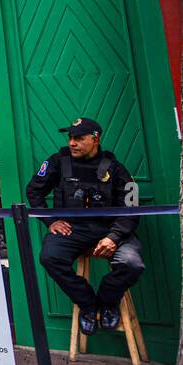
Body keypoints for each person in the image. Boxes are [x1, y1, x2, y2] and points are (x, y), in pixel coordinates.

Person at [28, 117, 144, 336]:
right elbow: (33, 190)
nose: (72, 143)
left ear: (95, 139)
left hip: (111, 230)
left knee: (131, 264)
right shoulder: (58, 162)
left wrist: (114, 237)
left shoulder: (116, 169)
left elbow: (132, 207)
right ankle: (89, 306)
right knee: (49, 257)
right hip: (73, 230)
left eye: (79, 138)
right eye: (70, 138)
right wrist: (51, 221)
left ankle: (108, 303)